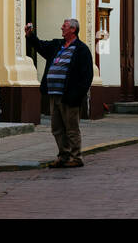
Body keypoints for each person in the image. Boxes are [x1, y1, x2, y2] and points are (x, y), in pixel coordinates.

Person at [25, 19, 94, 168]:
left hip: (69, 96)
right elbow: (41, 46)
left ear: (73, 30)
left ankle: (76, 157)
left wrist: (77, 95)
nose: (61, 27)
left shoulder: (81, 50)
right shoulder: (57, 45)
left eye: (65, 26)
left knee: (71, 128)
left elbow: (87, 75)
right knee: (57, 128)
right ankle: (64, 155)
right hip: (54, 94)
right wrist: (30, 36)